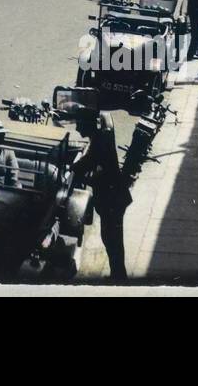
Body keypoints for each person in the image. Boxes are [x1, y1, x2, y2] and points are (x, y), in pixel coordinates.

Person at [71, 111, 131, 282]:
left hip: (112, 198)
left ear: (88, 125)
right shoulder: (99, 138)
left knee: (112, 238)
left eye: (80, 124)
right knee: (111, 238)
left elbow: (88, 161)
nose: (77, 127)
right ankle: (118, 274)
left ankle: (119, 276)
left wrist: (73, 167)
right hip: (114, 197)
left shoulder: (99, 141)